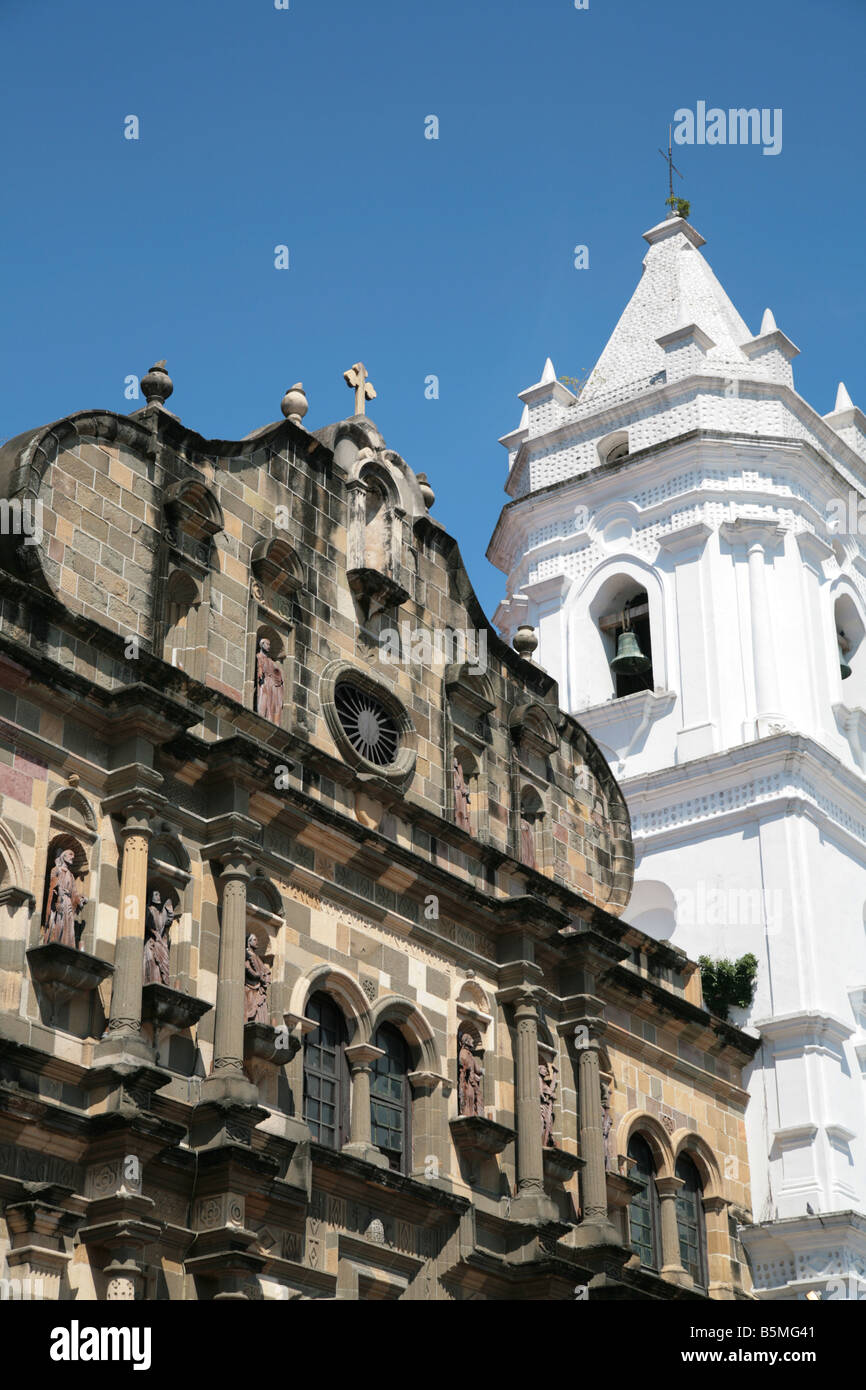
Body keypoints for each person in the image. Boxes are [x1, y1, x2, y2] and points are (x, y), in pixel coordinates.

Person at [43, 846, 87, 948]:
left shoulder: (71, 875)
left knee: (68, 925)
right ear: (63, 856)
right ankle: (55, 942)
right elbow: (52, 884)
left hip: (68, 902)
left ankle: (66, 944)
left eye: (73, 856)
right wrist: (57, 896)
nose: (72, 857)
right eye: (70, 855)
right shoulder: (56, 870)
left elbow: (74, 892)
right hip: (59, 899)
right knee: (59, 922)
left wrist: (80, 899)